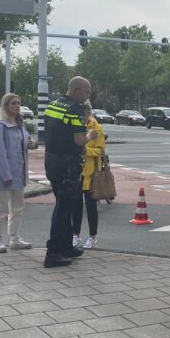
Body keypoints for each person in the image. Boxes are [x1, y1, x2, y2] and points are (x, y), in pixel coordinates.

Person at [43, 76, 97, 268]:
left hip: (51, 160)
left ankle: (66, 246)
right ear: (75, 90)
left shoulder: (53, 105)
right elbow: (79, 140)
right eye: (86, 91)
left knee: (65, 204)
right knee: (63, 209)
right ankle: (53, 252)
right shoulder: (75, 109)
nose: (88, 96)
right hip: (68, 164)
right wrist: (91, 135)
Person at [0, 93, 32, 253]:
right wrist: (6, 175)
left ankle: (14, 238)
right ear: (6, 106)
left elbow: (25, 143)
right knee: (0, 207)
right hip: (4, 174)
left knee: (18, 206)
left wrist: (31, 144)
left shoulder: (20, 123)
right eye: (13, 103)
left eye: (19, 103)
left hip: (19, 172)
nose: (17, 106)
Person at [72, 103, 106, 249]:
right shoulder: (75, 126)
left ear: (88, 114)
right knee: (76, 206)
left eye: (83, 115)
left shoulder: (96, 128)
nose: (82, 118)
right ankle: (75, 235)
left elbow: (100, 150)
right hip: (76, 171)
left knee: (91, 207)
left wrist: (86, 151)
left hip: (91, 173)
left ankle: (92, 237)